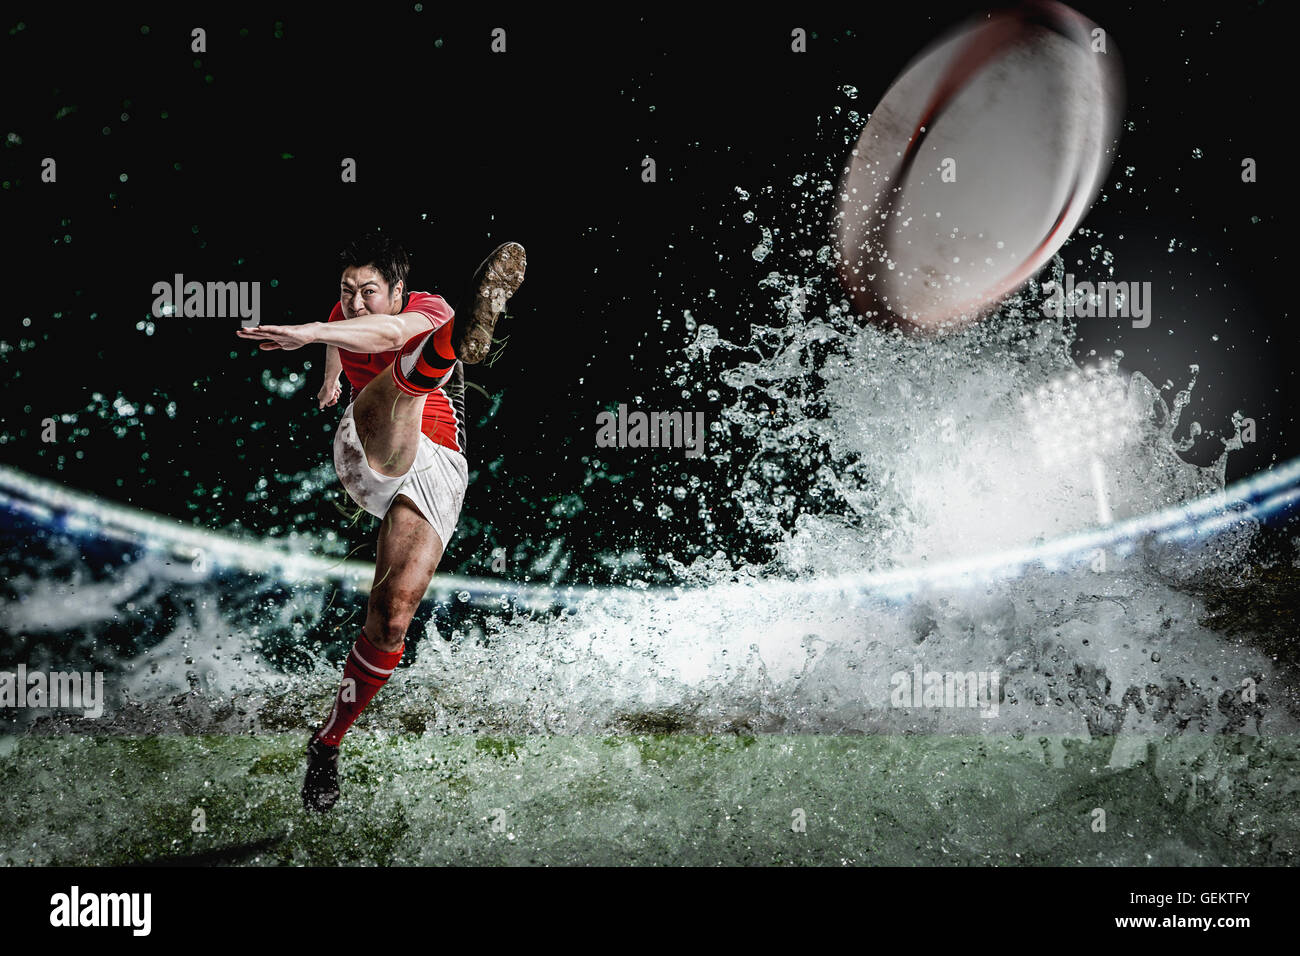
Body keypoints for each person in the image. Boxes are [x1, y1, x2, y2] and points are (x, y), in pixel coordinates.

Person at [236, 232, 526, 811]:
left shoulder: (426, 309)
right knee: (402, 388)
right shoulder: (345, 313)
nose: (355, 304)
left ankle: (326, 743)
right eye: (346, 292)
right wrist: (330, 375)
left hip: (438, 464)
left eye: (369, 291)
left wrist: (312, 335)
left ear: (400, 289)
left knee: (391, 618)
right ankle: (443, 355)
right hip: (366, 444)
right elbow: (348, 332)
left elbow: (390, 332)